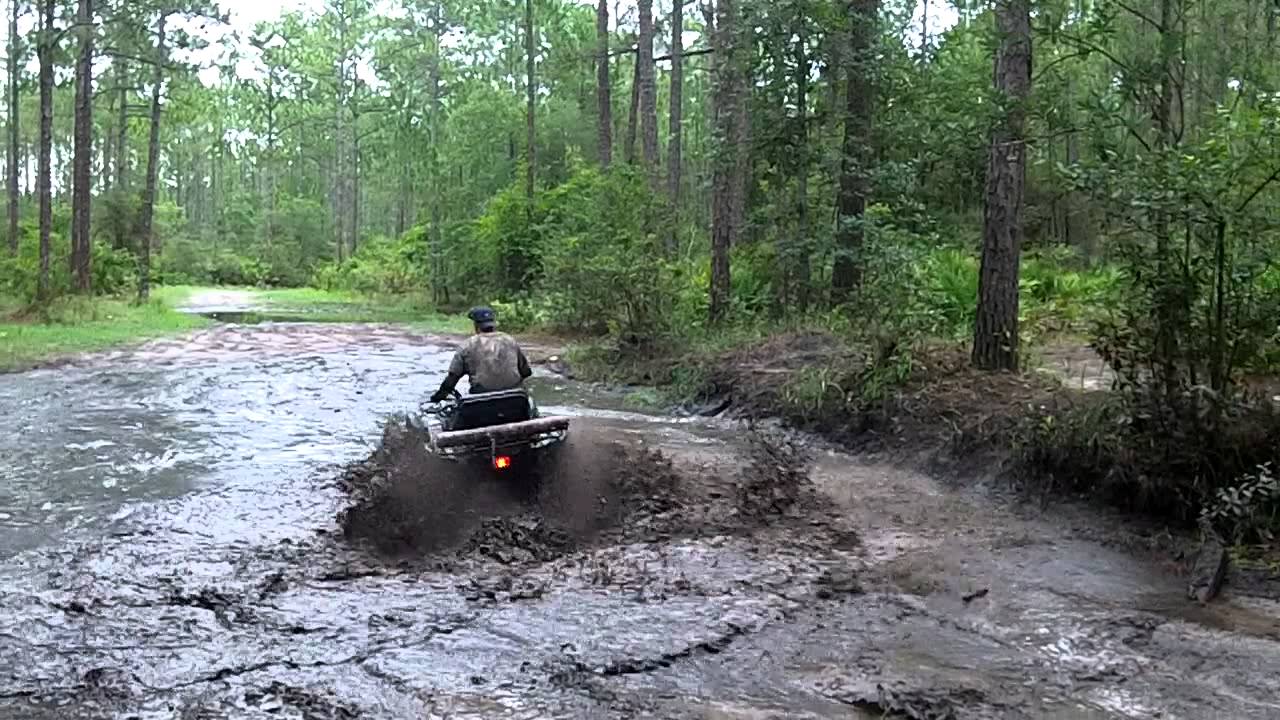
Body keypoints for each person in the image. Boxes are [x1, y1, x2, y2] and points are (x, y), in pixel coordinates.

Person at [429, 306, 532, 402]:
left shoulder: (467, 346)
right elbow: (526, 372)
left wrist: (436, 398)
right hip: (516, 399)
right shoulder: (510, 341)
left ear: (476, 326)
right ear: (493, 324)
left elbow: (451, 380)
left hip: (482, 401)